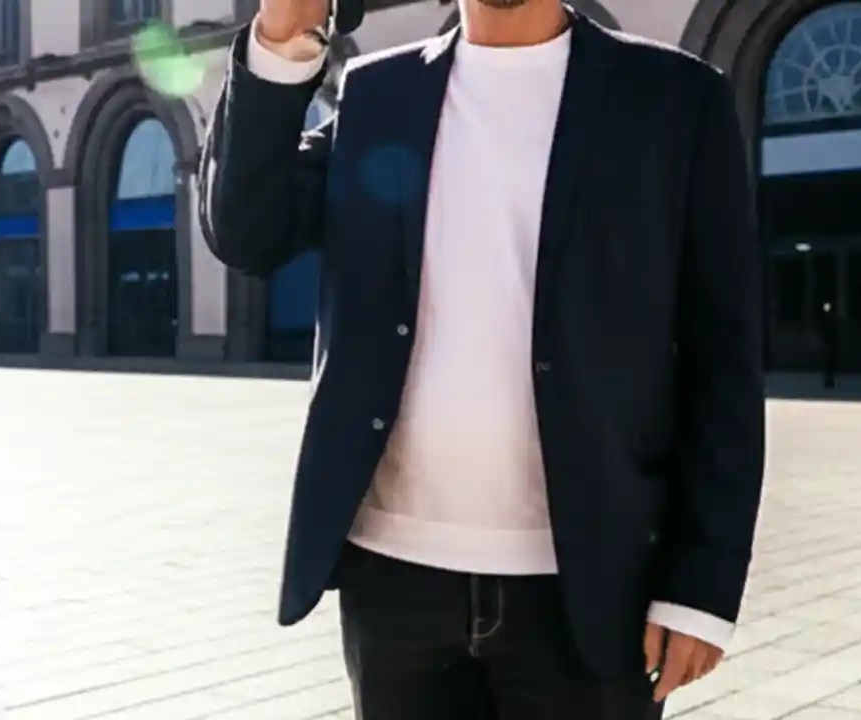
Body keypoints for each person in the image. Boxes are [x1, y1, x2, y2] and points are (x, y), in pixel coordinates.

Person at [199, 0, 765, 717]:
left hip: (592, 586)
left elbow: (725, 357)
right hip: (395, 582)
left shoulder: (675, 99)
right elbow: (245, 229)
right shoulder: (379, 95)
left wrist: (702, 586)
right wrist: (281, 37)